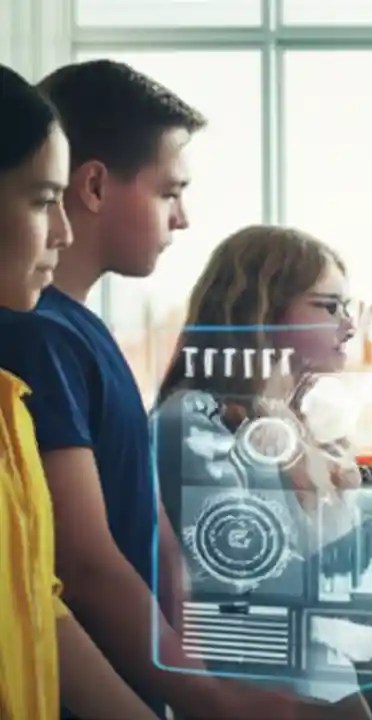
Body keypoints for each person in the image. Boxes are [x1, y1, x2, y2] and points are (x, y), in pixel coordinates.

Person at [0, 59, 347, 719]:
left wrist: (191, 672)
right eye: (169, 191)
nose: (182, 218)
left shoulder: (80, 331)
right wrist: (208, 694)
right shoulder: (38, 340)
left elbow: (145, 533)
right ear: (96, 184)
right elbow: (85, 562)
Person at [151, 224, 372, 718]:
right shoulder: (195, 421)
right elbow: (237, 579)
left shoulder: (302, 426)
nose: (349, 325)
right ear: (264, 308)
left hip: (323, 687)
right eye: (329, 306)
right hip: (256, 695)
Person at [0, 59, 160, 720]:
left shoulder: (8, 405)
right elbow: (88, 569)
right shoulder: (42, 343)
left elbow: (37, 602)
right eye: (42, 201)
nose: (61, 232)